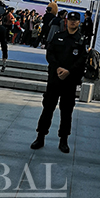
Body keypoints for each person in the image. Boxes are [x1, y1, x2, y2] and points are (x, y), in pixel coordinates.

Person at [30, 10, 88, 153]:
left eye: (75, 20)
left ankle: (63, 140)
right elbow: (50, 54)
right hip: (55, 80)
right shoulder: (58, 37)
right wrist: (57, 68)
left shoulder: (81, 41)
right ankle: (40, 137)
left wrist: (69, 71)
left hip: (70, 82)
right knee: (47, 109)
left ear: (79, 22)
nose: (73, 22)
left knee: (66, 112)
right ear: (66, 21)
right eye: (70, 20)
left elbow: (82, 60)